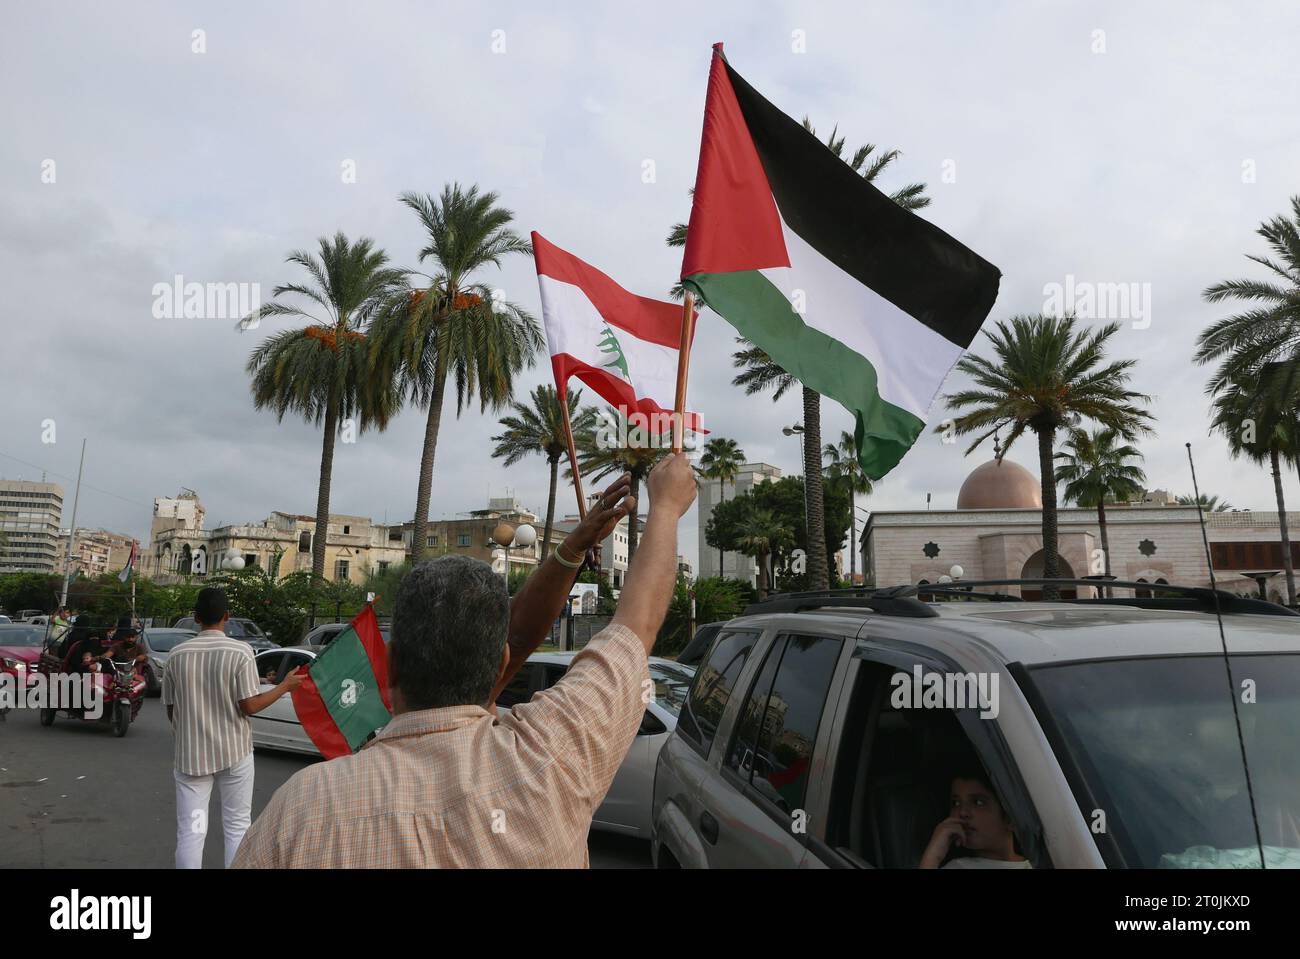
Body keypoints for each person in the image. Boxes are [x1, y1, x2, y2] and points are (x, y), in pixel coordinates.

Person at [233, 458, 695, 868]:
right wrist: (667, 508)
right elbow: (637, 622)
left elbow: (514, 640)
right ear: (501, 668)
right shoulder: (548, 762)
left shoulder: (300, 812)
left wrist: (572, 550)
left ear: (390, 667)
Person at [162, 586, 303, 869]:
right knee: (237, 826)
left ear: (196, 617)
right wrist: (284, 686)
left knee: (192, 830)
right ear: (227, 616)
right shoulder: (240, 652)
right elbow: (249, 706)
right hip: (234, 755)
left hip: (192, 759)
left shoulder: (176, 655)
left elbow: (171, 711)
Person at [919, 766, 1032, 869]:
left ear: (1010, 817)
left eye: (978, 802)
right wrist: (932, 857)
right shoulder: (959, 867)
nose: (962, 812)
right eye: (956, 803)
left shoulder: (1041, 861)